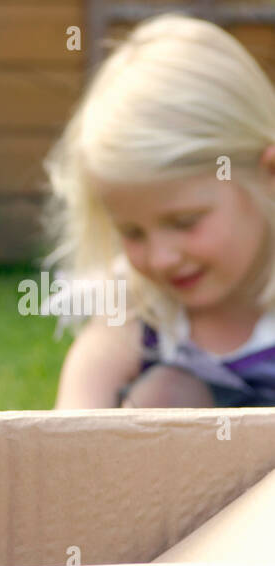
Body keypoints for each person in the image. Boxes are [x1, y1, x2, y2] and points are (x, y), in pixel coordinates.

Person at [48, 13, 275, 409]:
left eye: (185, 222)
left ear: (269, 174)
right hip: (168, 469)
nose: (161, 258)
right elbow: (71, 427)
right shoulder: (141, 307)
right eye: (133, 233)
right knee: (165, 393)